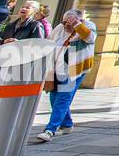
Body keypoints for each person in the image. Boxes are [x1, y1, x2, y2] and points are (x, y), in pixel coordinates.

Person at [34, 10, 95, 143]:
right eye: (65, 21)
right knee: (54, 97)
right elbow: (48, 42)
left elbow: (90, 38)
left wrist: (77, 25)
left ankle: (50, 130)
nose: (67, 25)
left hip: (74, 69)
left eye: (70, 22)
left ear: (79, 20)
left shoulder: (88, 26)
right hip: (55, 68)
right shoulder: (60, 28)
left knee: (63, 98)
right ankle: (67, 125)